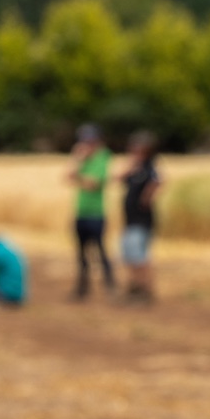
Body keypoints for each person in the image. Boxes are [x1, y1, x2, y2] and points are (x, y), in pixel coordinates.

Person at [66, 124, 115, 300]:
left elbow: (94, 184)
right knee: (81, 254)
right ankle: (82, 289)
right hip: (81, 212)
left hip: (96, 213)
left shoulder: (103, 157)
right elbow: (67, 176)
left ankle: (110, 288)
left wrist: (79, 176)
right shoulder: (83, 159)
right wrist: (78, 160)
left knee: (100, 252)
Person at [120, 131, 164, 303]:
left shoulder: (149, 168)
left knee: (140, 257)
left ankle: (145, 290)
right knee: (130, 256)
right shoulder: (135, 168)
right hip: (131, 220)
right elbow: (117, 178)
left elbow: (160, 180)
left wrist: (147, 195)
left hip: (142, 220)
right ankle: (135, 288)